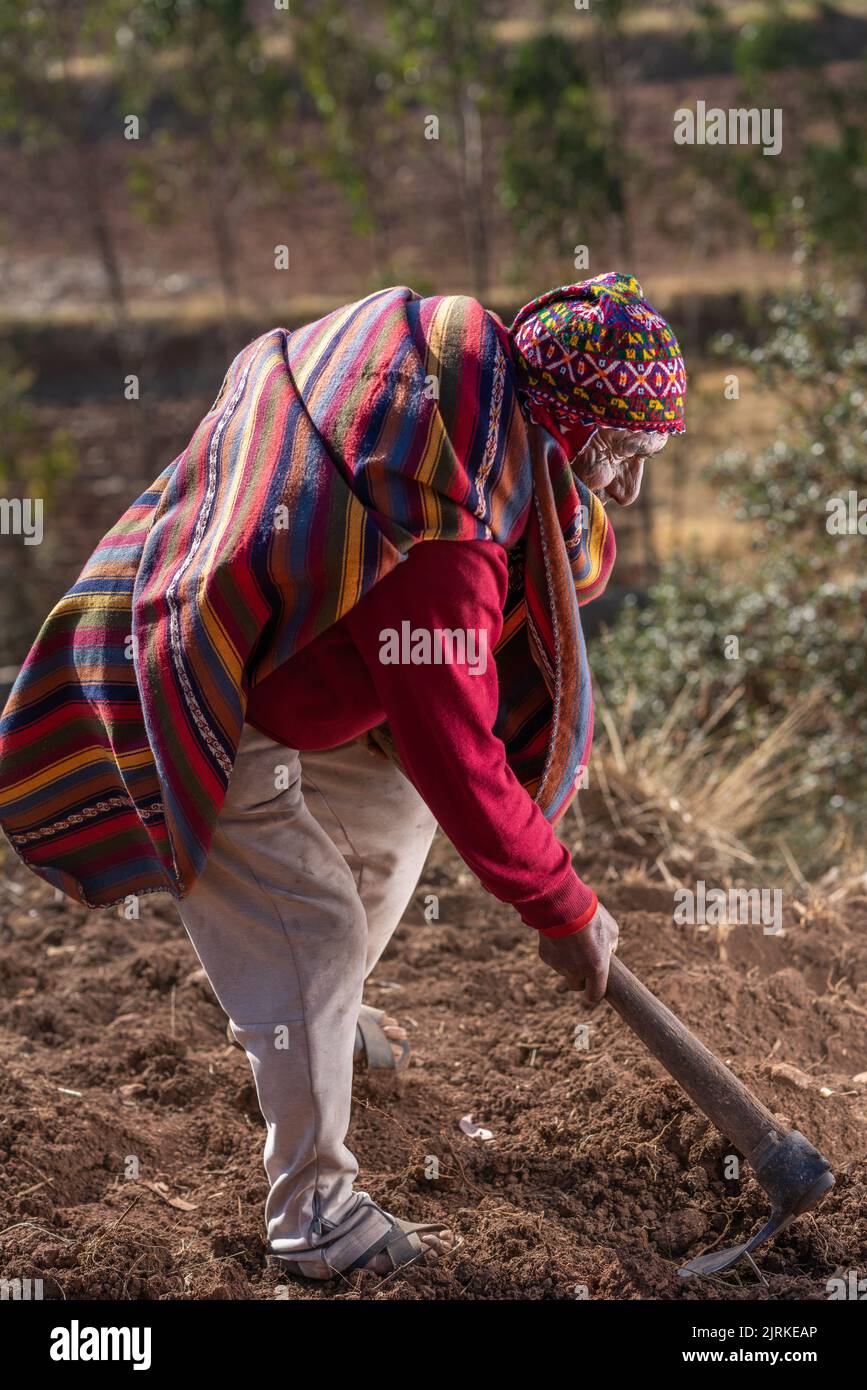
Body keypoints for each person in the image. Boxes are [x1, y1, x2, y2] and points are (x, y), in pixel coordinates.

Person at [0, 271, 686, 1280]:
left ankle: (317, 1022)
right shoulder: (438, 533)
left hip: (296, 660)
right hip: (204, 679)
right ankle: (314, 1217)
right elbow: (461, 754)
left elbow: (438, 749)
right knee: (311, 922)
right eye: (620, 453)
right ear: (566, 425)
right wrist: (562, 906)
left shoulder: (464, 373)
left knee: (389, 810)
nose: (624, 487)